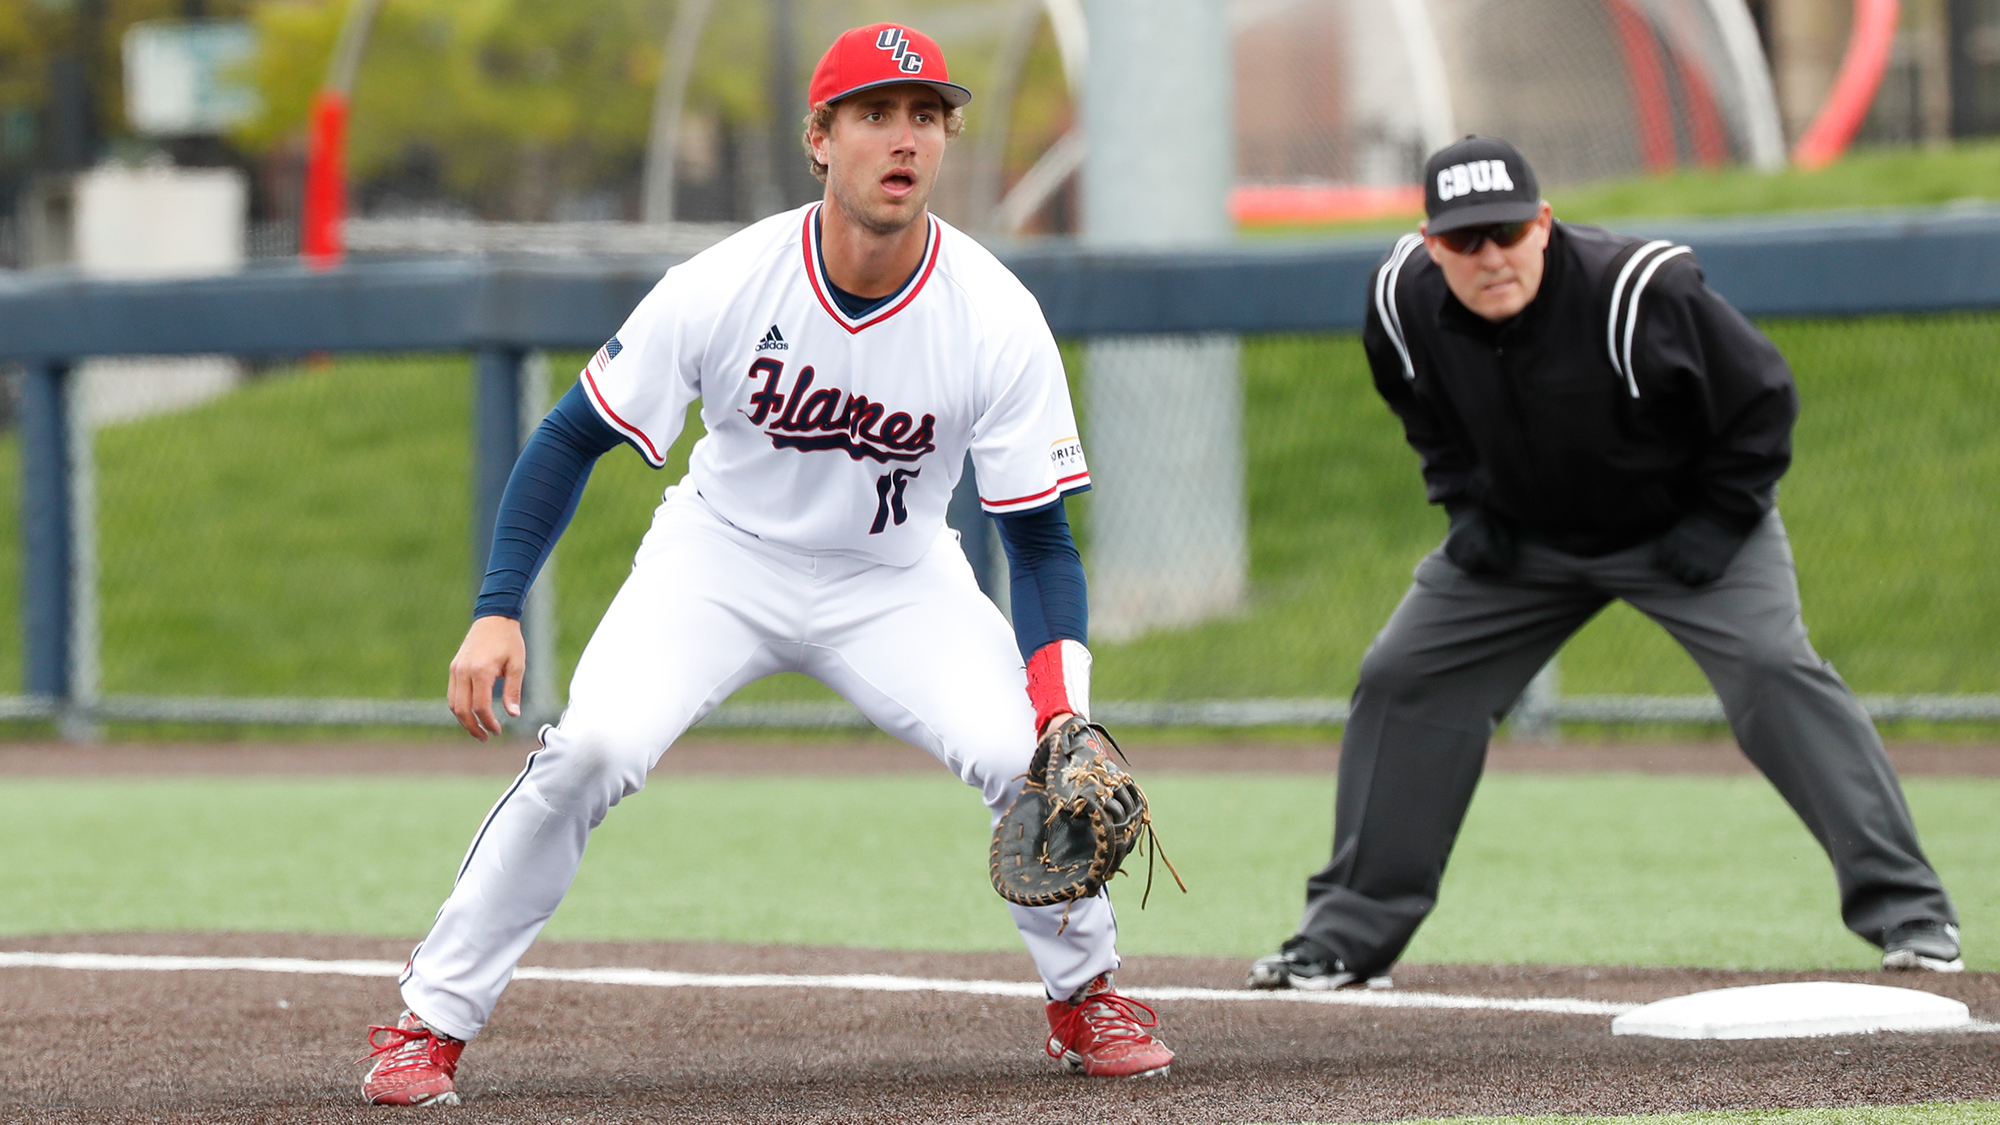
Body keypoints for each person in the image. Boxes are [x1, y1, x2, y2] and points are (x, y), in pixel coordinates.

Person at [359, 23, 1173, 1106]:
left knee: (1025, 759)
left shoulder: (994, 315)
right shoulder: (728, 281)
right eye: (875, 113)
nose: (904, 138)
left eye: (926, 115)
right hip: (720, 562)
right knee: (592, 747)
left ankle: (1085, 996)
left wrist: (1062, 710)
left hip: (897, 579)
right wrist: (497, 607)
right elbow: (569, 437)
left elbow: (1034, 537)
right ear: (818, 140)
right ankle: (430, 1023)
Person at [1248, 135, 1962, 993]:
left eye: (1508, 231)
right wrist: (1465, 501)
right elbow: (1420, 406)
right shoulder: (1403, 300)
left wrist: (1719, 518)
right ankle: (1345, 938)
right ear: (1433, 244)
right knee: (1405, 675)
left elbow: (1763, 402)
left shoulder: (1640, 289)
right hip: (1523, 540)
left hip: (1688, 528)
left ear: (1544, 224)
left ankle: (1912, 914)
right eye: (1465, 240)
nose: (1491, 256)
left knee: (1774, 669)